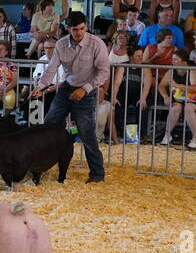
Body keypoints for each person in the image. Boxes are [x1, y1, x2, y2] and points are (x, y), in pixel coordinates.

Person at [30, 11, 108, 183]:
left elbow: (104, 73)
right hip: (66, 88)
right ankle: (39, 166)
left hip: (87, 92)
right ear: (68, 29)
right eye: (75, 29)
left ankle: (97, 174)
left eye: (81, 28)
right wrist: (40, 87)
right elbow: (51, 68)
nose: (78, 33)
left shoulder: (97, 44)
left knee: (87, 134)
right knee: (49, 127)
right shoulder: (61, 44)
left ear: (86, 26)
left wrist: (85, 89)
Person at [157, 49, 196, 150]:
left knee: (189, 108)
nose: (173, 62)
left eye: (176, 60)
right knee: (175, 108)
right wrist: (165, 96)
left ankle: (195, 138)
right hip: (177, 97)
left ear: (184, 62)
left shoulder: (193, 70)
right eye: (172, 59)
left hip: (193, 97)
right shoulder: (172, 70)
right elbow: (162, 85)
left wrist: (178, 85)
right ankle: (167, 135)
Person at [99, 31, 131, 142]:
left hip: (124, 80)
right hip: (108, 78)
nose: (122, 40)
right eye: (120, 37)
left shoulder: (129, 51)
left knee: (118, 104)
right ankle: (106, 133)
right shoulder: (110, 48)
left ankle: (119, 133)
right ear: (115, 39)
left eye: (124, 38)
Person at [31, 38, 64, 118]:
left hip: (57, 88)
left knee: (48, 100)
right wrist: (36, 88)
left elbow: (63, 82)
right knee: (31, 96)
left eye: (51, 48)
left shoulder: (63, 60)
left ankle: (47, 124)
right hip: (42, 86)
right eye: (46, 48)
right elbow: (36, 76)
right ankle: (32, 123)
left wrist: (47, 90)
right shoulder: (42, 59)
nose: (48, 50)